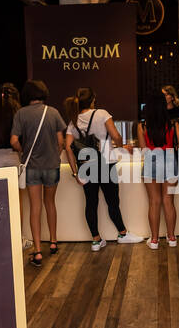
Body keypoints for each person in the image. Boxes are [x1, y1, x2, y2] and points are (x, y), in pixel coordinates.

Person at [61, 88, 143, 252]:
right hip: (106, 163)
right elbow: (117, 136)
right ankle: (122, 234)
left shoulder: (73, 121)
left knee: (91, 203)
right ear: (93, 100)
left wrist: (75, 172)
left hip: (85, 166)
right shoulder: (102, 114)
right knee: (112, 200)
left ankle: (96, 240)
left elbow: (68, 148)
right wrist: (120, 146)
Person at [10, 80, 67, 266]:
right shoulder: (53, 112)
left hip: (32, 167)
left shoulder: (21, 114)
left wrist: (23, 152)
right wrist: (55, 155)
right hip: (52, 166)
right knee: (50, 202)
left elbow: (13, 140)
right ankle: (53, 242)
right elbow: (61, 141)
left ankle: (37, 250)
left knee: (35, 207)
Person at [139, 95, 179, 249]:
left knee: (154, 202)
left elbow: (143, 150)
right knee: (168, 202)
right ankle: (172, 237)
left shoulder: (142, 126)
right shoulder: (172, 124)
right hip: (169, 161)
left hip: (151, 162)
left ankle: (154, 240)